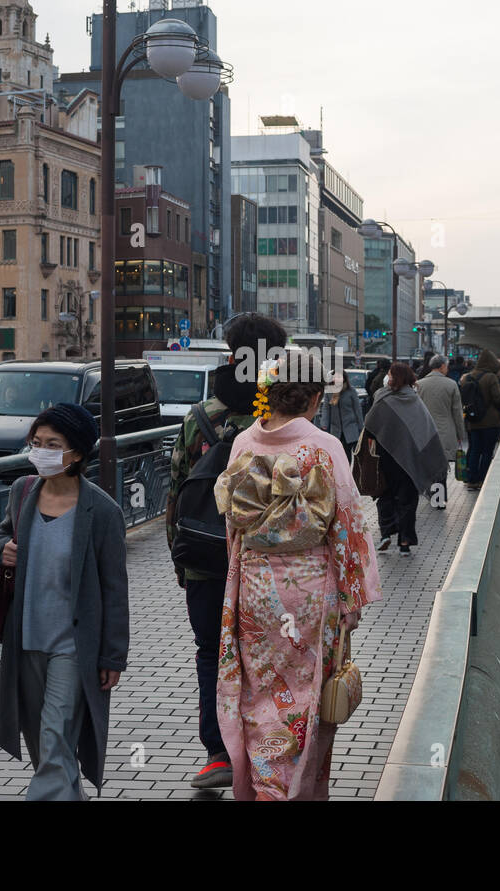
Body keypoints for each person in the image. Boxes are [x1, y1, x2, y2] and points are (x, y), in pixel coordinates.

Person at [213, 351, 381, 800]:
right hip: (310, 593)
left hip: (255, 587)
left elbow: (233, 524)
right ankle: (296, 790)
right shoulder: (323, 446)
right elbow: (347, 523)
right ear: (315, 397)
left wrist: (246, 572)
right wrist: (352, 600)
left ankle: (264, 783)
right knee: (307, 695)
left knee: (258, 693)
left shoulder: (244, 444)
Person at [165, 312, 288, 790]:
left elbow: (176, 490)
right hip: (269, 562)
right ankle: (264, 748)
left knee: (210, 653)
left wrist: (181, 561)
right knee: (267, 652)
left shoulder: (201, 417)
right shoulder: (282, 417)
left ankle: (218, 753)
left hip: (206, 557)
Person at [0, 403, 129, 800]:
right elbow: (1, 538)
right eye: (36, 443)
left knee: (54, 740)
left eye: (53, 444)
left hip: (73, 647)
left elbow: (114, 589)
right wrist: (4, 549)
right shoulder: (23, 493)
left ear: (78, 453)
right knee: (45, 748)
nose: (41, 452)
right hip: (25, 638)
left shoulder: (103, 511)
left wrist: (112, 656)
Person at [365, 362, 447, 556]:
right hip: (411, 459)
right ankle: (404, 541)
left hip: (385, 458)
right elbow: (426, 429)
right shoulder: (414, 400)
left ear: (392, 377)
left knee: (384, 496)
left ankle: (386, 534)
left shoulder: (381, 397)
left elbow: (369, 426)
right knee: (408, 500)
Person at [415, 355, 466, 507]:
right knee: (442, 467)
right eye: (447, 366)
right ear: (443, 366)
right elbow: (457, 412)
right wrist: (460, 434)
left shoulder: (419, 384)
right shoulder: (451, 385)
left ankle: (431, 493)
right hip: (446, 430)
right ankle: (439, 498)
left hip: (424, 431)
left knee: (430, 465)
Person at [460, 352, 500, 491]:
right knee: (487, 451)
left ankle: (471, 480)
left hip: (472, 420)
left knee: (474, 450)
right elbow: (498, 399)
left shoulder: (467, 377)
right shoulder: (491, 377)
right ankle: (482, 479)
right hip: (490, 422)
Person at [319, 368, 364, 463]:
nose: (337, 379)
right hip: (336, 429)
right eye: (335, 377)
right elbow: (326, 409)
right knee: (337, 454)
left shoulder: (351, 391)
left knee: (348, 455)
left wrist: (361, 428)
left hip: (350, 428)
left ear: (344, 378)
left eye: (340, 376)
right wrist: (324, 424)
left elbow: (357, 410)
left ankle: (348, 473)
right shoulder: (329, 392)